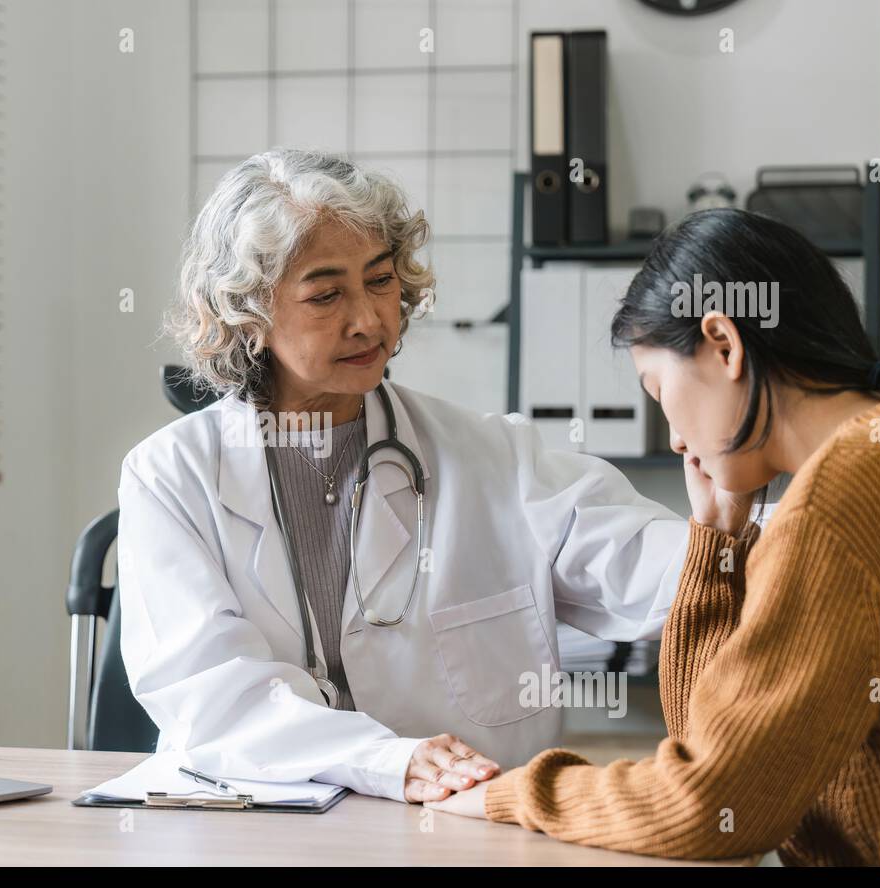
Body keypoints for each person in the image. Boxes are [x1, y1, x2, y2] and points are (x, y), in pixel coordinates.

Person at [116, 148, 694, 804]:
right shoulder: (169, 477)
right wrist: (388, 761)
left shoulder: (489, 456)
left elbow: (650, 563)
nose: (368, 319)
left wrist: (755, 540)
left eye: (382, 280)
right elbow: (210, 696)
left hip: (460, 831)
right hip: (248, 828)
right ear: (249, 314)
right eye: (326, 294)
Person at [428, 208, 880, 865]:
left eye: (658, 389)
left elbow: (709, 808)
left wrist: (514, 793)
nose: (673, 438)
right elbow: (715, 748)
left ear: (724, 344)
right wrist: (717, 538)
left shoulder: (839, 507)